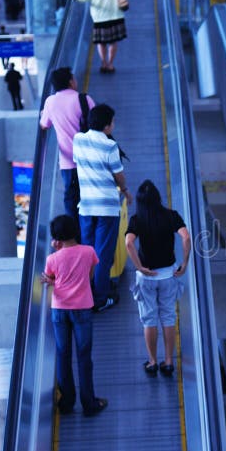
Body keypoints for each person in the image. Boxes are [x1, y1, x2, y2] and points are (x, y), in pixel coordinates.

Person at [41, 215, 108, 416]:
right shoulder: (89, 252)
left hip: (59, 309)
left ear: (56, 238)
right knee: (84, 356)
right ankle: (89, 403)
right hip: (82, 308)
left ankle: (67, 403)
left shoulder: (52, 258)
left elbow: (51, 278)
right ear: (76, 230)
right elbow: (89, 276)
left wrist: (57, 252)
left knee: (63, 355)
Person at [125, 180, 190, 377]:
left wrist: (139, 267)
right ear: (158, 198)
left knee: (149, 319)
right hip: (169, 274)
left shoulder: (137, 220)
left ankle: (153, 361)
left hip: (147, 278)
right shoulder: (171, 216)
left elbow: (129, 243)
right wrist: (184, 263)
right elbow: (186, 237)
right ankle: (169, 361)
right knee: (169, 317)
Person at [72, 104, 133, 311]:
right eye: (112, 122)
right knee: (102, 254)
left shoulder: (78, 140)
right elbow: (119, 175)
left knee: (88, 252)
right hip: (107, 207)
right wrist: (125, 190)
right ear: (107, 126)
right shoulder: (109, 146)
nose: (113, 126)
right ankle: (99, 300)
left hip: (86, 206)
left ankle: (86, 292)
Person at [40, 67, 96, 223]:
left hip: (68, 162)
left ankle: (74, 236)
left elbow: (44, 125)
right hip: (89, 159)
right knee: (90, 197)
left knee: (71, 200)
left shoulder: (50, 102)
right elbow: (98, 123)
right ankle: (88, 234)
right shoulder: (84, 99)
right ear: (71, 81)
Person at [67, 0, 128, 73]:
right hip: (116, 15)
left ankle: (103, 63)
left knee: (101, 42)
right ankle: (110, 64)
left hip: (99, 17)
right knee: (113, 42)